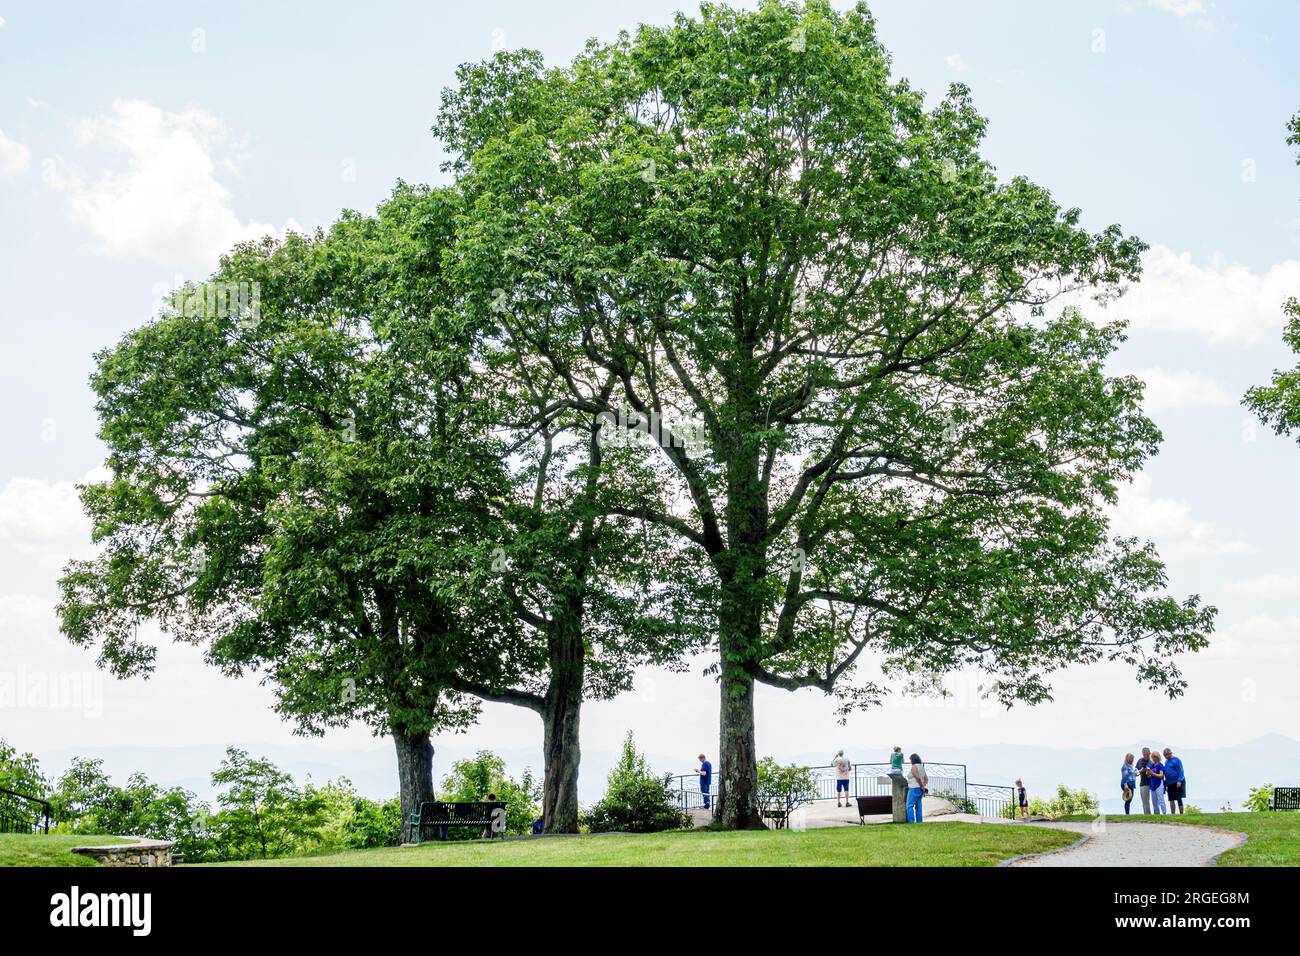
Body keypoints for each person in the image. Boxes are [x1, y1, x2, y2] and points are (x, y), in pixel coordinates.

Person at [1163, 747, 1186, 815]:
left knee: (1179, 798)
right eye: (1166, 755)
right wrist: (1166, 784)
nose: (1167, 756)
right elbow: (1166, 774)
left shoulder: (1176, 760)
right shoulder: (1166, 762)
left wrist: (1179, 781)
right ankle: (1173, 814)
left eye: (1168, 754)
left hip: (1177, 782)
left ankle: (1181, 814)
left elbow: (1181, 771)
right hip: (1169, 783)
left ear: (1170, 753)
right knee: (1171, 799)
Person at [906, 753, 928, 824]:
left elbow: (917, 777)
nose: (910, 762)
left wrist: (921, 786)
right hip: (920, 789)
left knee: (909, 806)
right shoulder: (921, 767)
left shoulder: (914, 766)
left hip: (913, 788)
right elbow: (926, 779)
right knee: (918, 806)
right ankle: (919, 822)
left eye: (910, 760)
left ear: (913, 760)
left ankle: (911, 822)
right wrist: (923, 786)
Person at [1134, 747, 1152, 813]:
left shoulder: (1152, 761)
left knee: (1155, 801)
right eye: (1144, 754)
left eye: (1147, 754)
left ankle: (1157, 815)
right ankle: (1147, 815)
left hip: (1152, 783)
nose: (1146, 756)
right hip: (1143, 783)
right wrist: (1141, 770)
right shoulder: (1140, 761)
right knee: (1145, 801)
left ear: (1150, 753)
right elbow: (1135, 773)